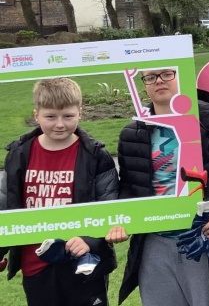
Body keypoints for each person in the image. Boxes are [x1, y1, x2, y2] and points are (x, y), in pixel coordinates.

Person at [110, 69, 209, 305]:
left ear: (182, 75)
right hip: (155, 241)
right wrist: (123, 219)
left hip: (201, 237)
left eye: (167, 74)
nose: (158, 81)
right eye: (150, 77)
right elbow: (128, 187)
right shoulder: (132, 133)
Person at [0, 78, 118, 306]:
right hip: (35, 264)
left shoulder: (95, 156)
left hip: (84, 262)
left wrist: (90, 241)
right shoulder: (19, 154)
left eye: (68, 116)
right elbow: (7, 205)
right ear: (36, 115)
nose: (60, 124)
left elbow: (109, 205)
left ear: (80, 113)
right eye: (50, 117)